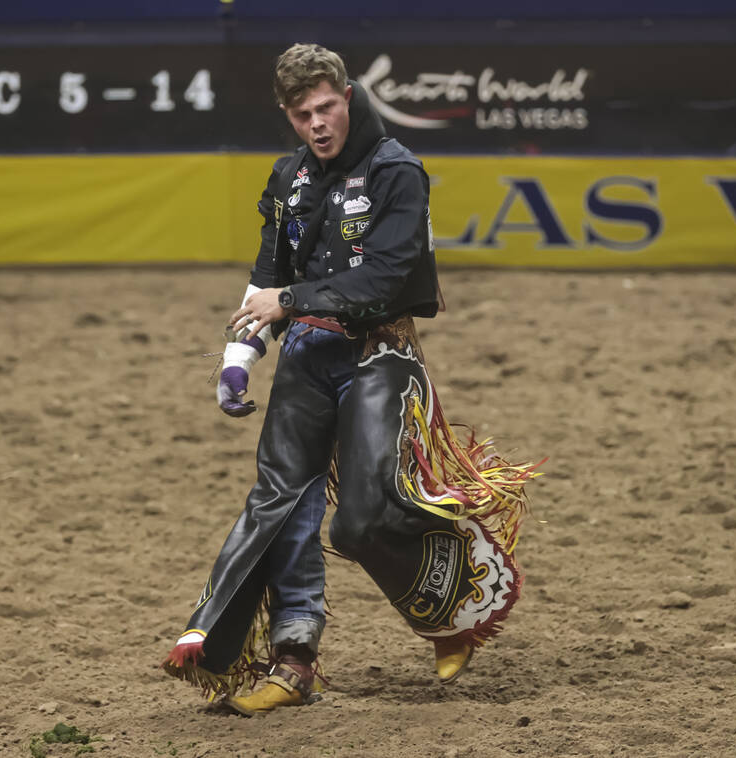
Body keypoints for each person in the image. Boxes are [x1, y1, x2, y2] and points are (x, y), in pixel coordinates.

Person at [163, 43, 540, 716]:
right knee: (284, 508)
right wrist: (238, 360)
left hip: (380, 355)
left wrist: (290, 302)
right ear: (288, 114)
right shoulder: (289, 179)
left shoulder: (398, 172)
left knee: (361, 521)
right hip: (307, 356)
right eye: (303, 112)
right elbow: (266, 278)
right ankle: (292, 662)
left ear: (348, 96)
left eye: (327, 106)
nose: (317, 122)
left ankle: (453, 613)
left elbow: (388, 275)